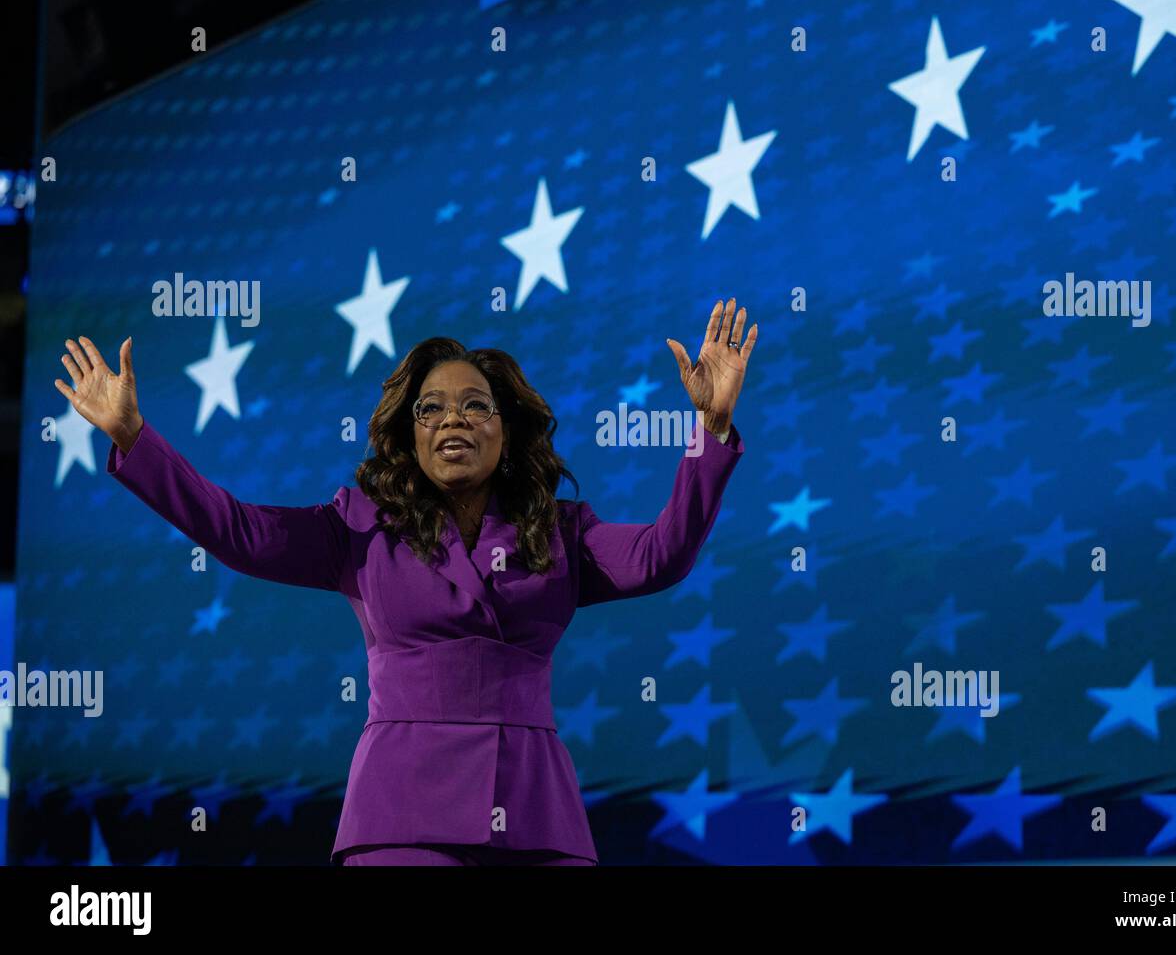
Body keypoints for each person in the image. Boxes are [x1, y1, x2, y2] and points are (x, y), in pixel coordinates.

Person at [54, 298, 757, 866]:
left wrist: (711, 430)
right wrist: (135, 441)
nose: (453, 417)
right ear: (410, 436)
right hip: (402, 819)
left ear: (506, 433)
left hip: (538, 817)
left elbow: (663, 554)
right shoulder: (356, 529)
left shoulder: (562, 530)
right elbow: (237, 530)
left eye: (476, 406)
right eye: (431, 408)